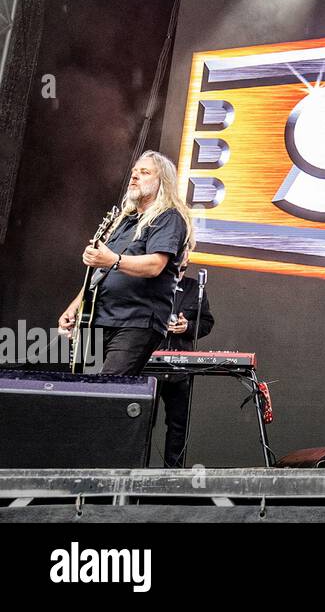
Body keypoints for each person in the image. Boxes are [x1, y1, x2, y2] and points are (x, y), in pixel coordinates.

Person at [59, 152, 194, 376]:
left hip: (136, 321)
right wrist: (76, 306)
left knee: (110, 389)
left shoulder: (168, 217)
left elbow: (155, 265)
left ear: (163, 181)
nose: (134, 177)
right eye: (134, 172)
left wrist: (113, 259)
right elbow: (100, 272)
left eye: (144, 172)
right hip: (102, 318)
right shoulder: (125, 221)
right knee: (84, 391)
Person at [157, 255, 216, 467]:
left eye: (183, 269)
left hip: (180, 365)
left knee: (178, 423)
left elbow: (207, 322)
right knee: (141, 416)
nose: (179, 273)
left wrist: (188, 327)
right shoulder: (152, 284)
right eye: (176, 269)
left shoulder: (193, 287)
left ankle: (172, 473)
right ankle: (133, 470)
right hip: (150, 363)